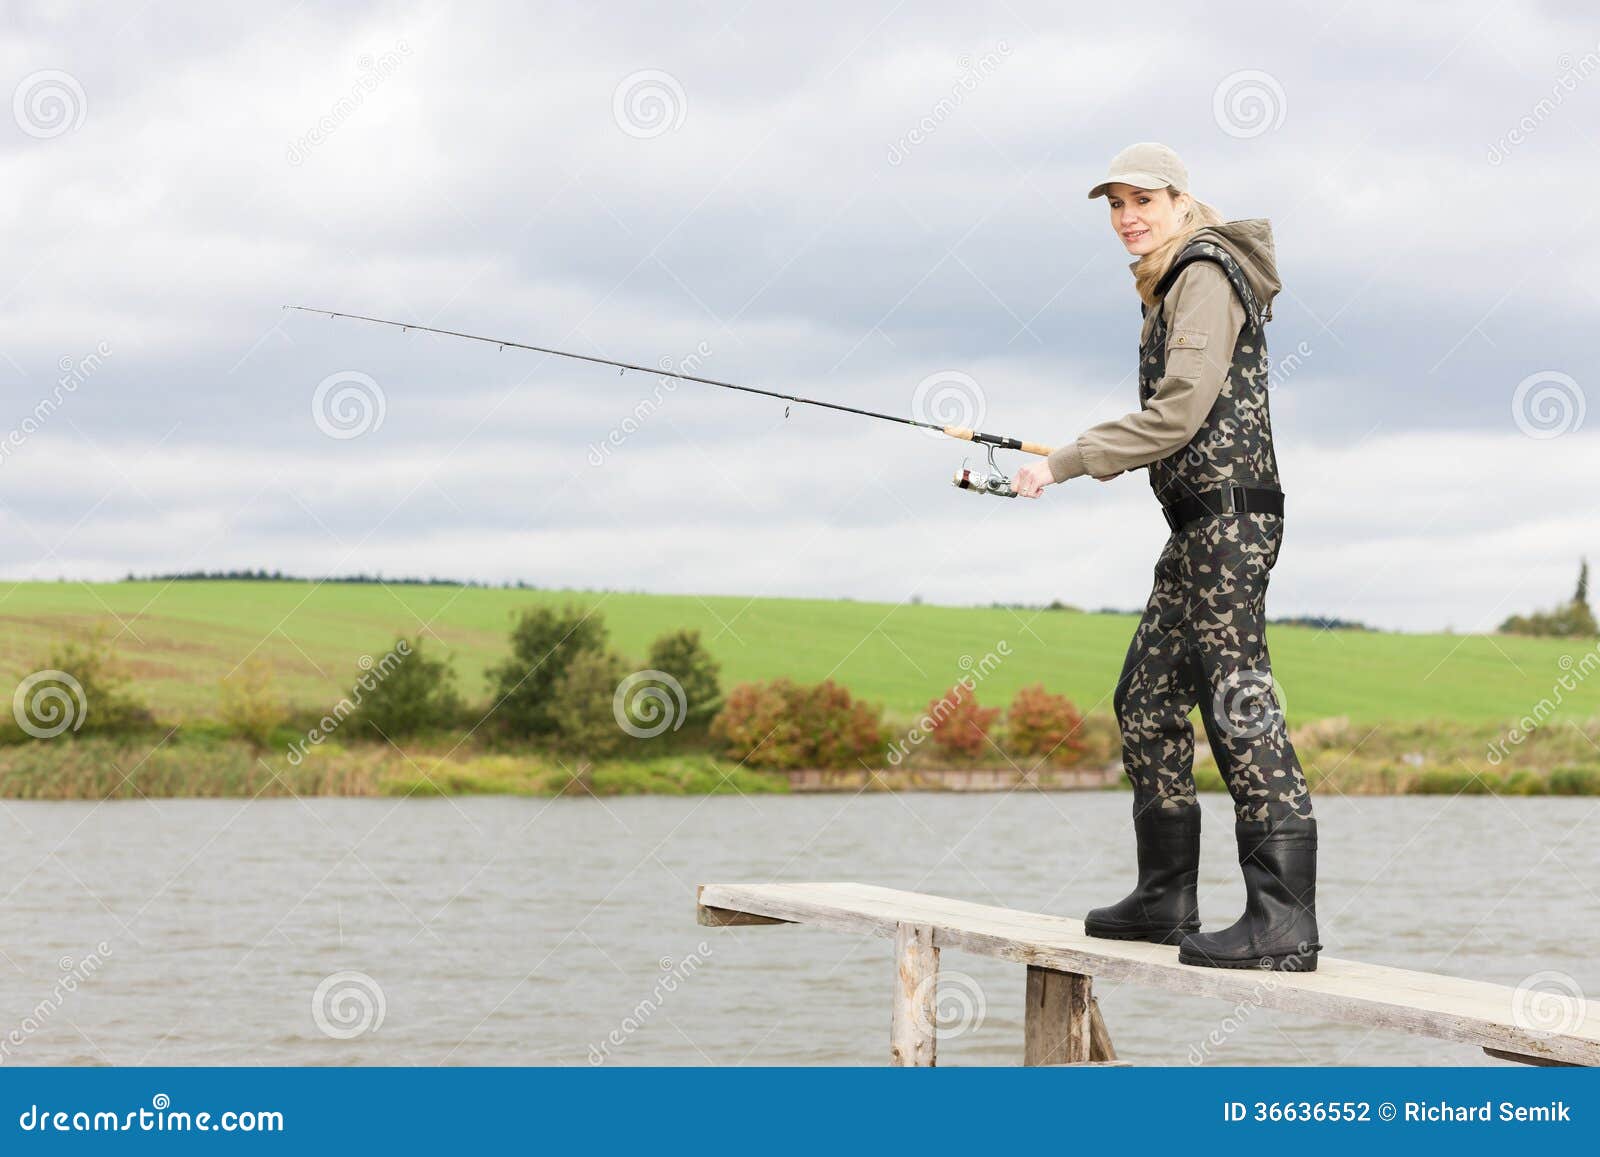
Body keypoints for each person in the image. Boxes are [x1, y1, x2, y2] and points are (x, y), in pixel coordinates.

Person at [1010, 142, 1320, 972]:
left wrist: (1066, 461)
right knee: (1144, 697)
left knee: (1235, 699)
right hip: (1194, 527)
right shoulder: (1169, 283)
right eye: (1114, 204)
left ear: (1182, 201)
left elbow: (1180, 413)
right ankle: (1165, 897)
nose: (1127, 217)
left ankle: (1284, 920)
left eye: (1141, 199)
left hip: (1231, 522)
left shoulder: (1207, 276)